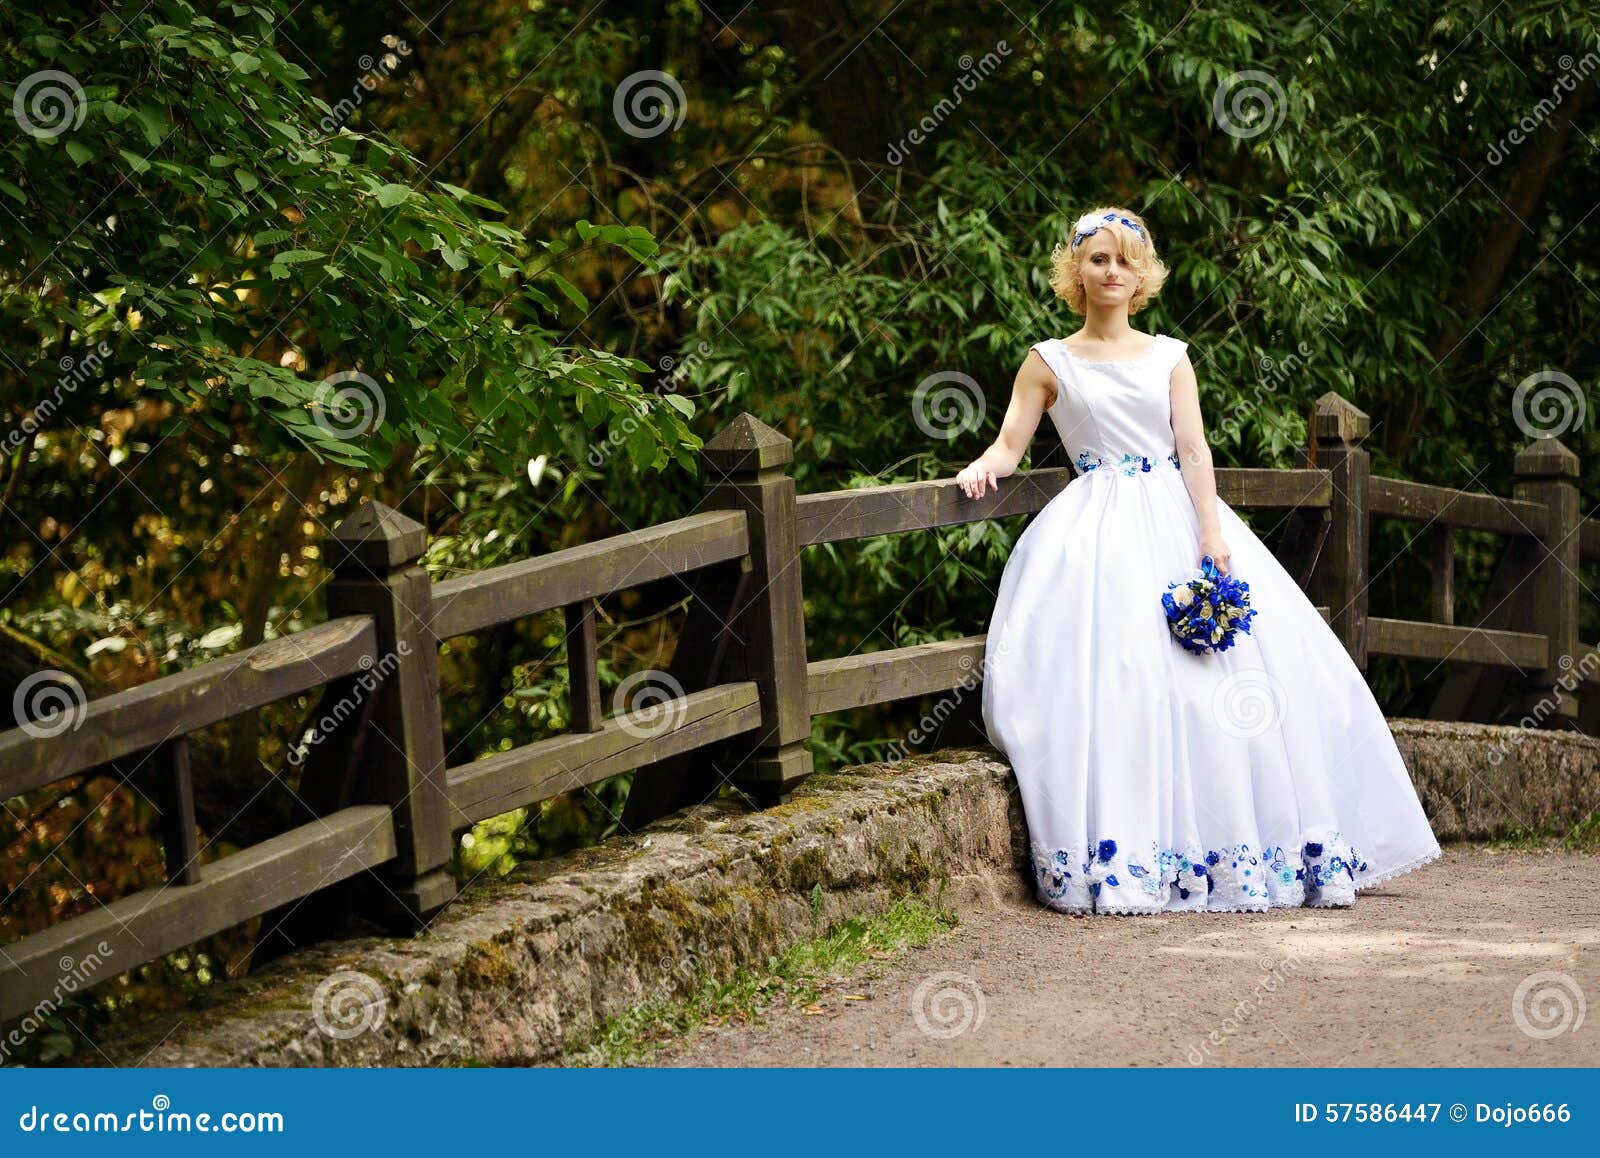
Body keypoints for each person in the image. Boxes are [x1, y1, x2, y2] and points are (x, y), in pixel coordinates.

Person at [955, 206, 1442, 915]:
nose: (1111, 272)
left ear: (1142, 274)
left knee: (1213, 686)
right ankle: (1124, 861)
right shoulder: (1047, 360)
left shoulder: (1169, 355)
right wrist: (984, 465)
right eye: (1098, 260)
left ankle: (1241, 854)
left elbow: (1193, 450)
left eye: (1125, 260)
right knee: (1117, 683)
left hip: (1176, 519)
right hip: (1092, 534)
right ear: (1076, 271)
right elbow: (1010, 444)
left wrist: (1211, 534)